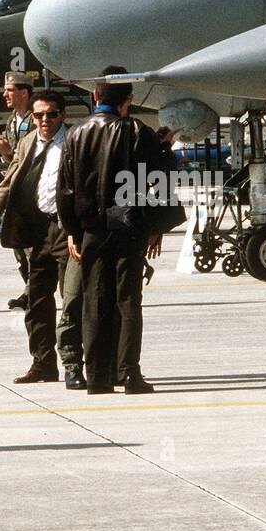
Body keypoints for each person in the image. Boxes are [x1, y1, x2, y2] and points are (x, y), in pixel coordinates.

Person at [0, 89, 85, 388]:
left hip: (68, 231)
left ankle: (73, 364)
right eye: (39, 115)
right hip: (38, 231)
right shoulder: (28, 143)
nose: (45, 120)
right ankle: (43, 364)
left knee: (72, 299)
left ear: (63, 115)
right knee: (36, 300)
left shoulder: (77, 141)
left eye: (52, 114)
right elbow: (7, 185)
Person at [58, 70, 164, 395]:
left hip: (92, 228)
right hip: (129, 225)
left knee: (94, 300)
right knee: (129, 299)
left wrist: (72, 231)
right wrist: (156, 226)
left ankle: (98, 377)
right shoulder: (138, 131)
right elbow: (157, 181)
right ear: (128, 100)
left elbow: (66, 189)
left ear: (95, 96)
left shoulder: (76, 134)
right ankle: (130, 373)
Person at [0, 73, 34, 310]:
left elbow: (29, 155)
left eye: (10, 90)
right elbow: (12, 160)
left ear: (24, 92)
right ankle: (29, 288)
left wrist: (8, 152)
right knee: (17, 244)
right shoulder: (12, 121)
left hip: (30, 190)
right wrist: (4, 152)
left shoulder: (35, 119)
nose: (5, 95)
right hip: (16, 190)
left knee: (30, 245)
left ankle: (33, 292)